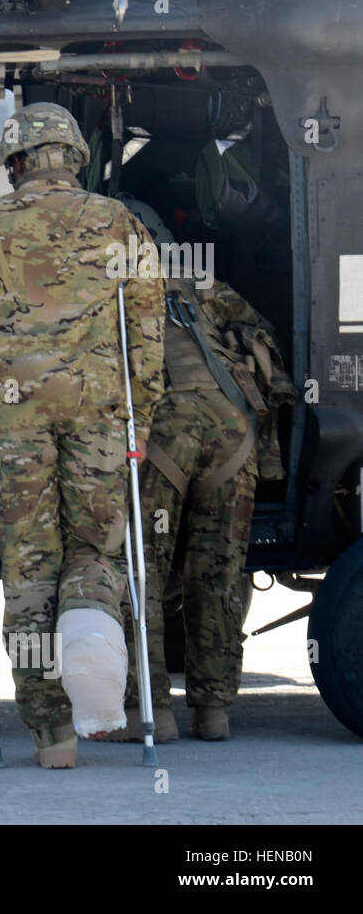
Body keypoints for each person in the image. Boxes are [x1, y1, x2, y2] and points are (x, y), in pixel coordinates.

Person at [0, 102, 165, 768]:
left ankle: (49, 730)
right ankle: (97, 686)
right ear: (74, 156)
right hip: (100, 417)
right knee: (95, 551)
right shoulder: (121, 224)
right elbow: (145, 338)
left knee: (30, 568)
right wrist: (137, 423)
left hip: (13, 421)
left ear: (15, 162)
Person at [106, 198, 295, 743]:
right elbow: (260, 333)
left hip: (163, 429)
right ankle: (213, 713)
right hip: (233, 430)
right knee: (216, 572)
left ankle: (151, 712)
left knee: (141, 569)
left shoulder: (103, 279)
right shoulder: (195, 278)